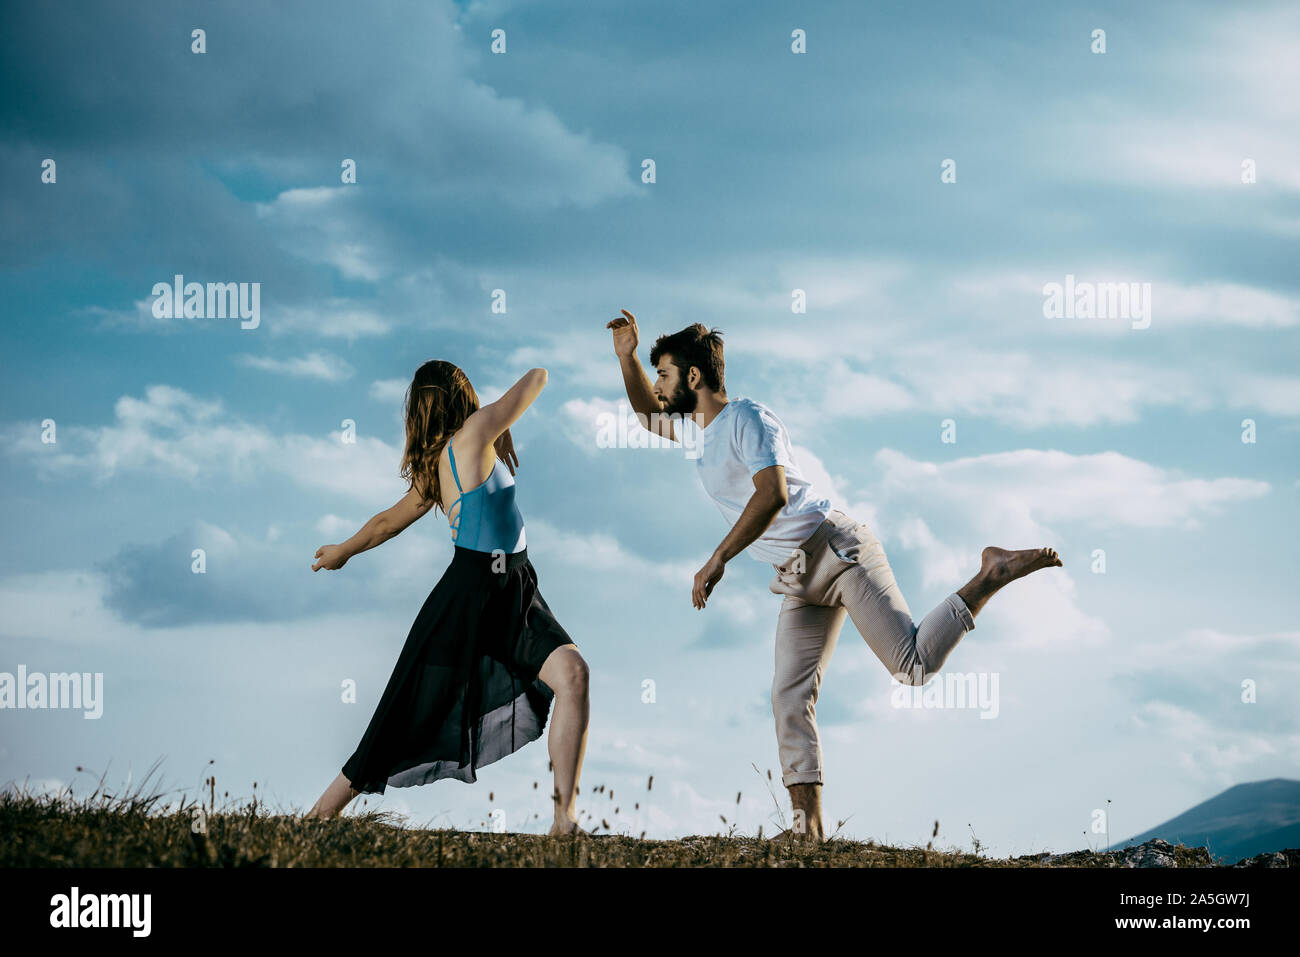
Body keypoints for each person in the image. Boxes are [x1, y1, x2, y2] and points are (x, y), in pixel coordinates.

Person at [605, 309, 1062, 843]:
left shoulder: (747, 418)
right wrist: (627, 357)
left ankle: (991, 573)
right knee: (788, 698)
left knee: (912, 668)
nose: (658, 387)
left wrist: (718, 558)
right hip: (799, 578)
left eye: (664, 374)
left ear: (693, 377)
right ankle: (807, 829)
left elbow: (772, 493)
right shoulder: (697, 435)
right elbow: (645, 414)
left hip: (838, 551)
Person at [306, 361, 590, 836]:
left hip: (517, 588)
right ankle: (319, 815)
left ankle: (564, 820)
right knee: (405, 709)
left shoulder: (447, 457)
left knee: (574, 677)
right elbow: (540, 375)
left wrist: (342, 551)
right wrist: (500, 425)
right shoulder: (475, 434)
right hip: (469, 593)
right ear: (463, 397)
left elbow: (385, 524)